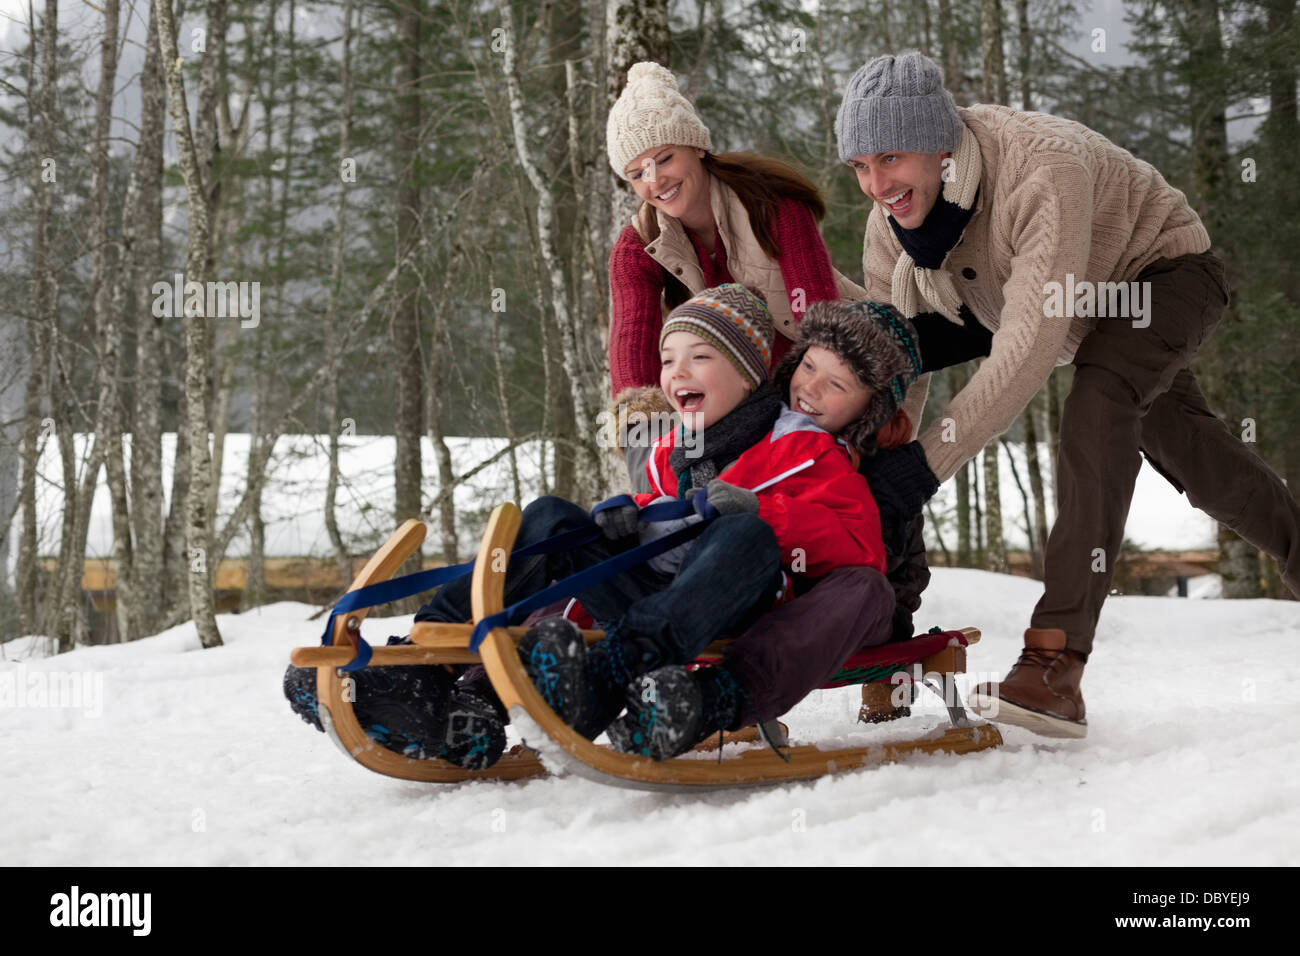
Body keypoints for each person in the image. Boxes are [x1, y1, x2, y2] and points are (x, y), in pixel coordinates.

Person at [833, 51, 1300, 738]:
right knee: (1205, 463)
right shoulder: (890, 229)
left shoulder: (1039, 170)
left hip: (1163, 275)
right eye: (860, 167)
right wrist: (889, 450)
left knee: (1099, 406)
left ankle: (1054, 663)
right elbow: (899, 354)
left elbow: (1027, 348)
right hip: (1080, 320)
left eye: (891, 159)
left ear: (937, 144)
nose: (876, 185)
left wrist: (926, 466)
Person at [285, 285, 887, 768]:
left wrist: (767, 513)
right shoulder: (665, 450)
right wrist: (624, 517)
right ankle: (426, 661)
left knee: (742, 535)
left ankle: (612, 673)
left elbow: (862, 549)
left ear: (750, 373)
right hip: (643, 593)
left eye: (701, 357)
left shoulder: (805, 451)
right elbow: (642, 517)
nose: (678, 372)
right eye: (669, 358)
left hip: (728, 600)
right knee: (550, 515)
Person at [605, 298, 932, 760]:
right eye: (809, 366)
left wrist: (767, 515)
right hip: (755, 592)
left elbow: (886, 563)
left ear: (873, 408)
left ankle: (714, 700)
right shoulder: (765, 427)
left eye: (836, 383)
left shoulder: (890, 471)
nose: (811, 389)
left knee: (866, 588)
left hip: (849, 609)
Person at [607, 61, 869, 395]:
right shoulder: (639, 246)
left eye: (664, 159)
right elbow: (632, 337)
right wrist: (639, 424)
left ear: (697, 147)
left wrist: (808, 409)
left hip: (847, 359)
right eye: (637, 173)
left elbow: (816, 313)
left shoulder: (771, 202)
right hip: (747, 390)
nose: (655, 180)